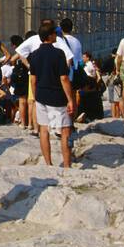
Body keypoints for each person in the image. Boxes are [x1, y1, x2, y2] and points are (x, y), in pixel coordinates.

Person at [29, 20, 75, 168]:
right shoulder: (59, 54)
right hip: (57, 97)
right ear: (49, 36)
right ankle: (67, 165)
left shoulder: (34, 55)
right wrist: (70, 99)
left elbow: (33, 79)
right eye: (55, 33)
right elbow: (64, 78)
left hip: (41, 96)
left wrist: (36, 96)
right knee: (65, 130)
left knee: (44, 129)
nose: (57, 35)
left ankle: (48, 164)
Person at [8, 34, 31, 130]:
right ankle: (30, 123)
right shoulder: (30, 48)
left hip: (22, 76)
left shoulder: (21, 49)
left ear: (14, 45)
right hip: (30, 75)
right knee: (30, 100)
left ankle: (23, 122)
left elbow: (12, 60)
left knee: (22, 101)